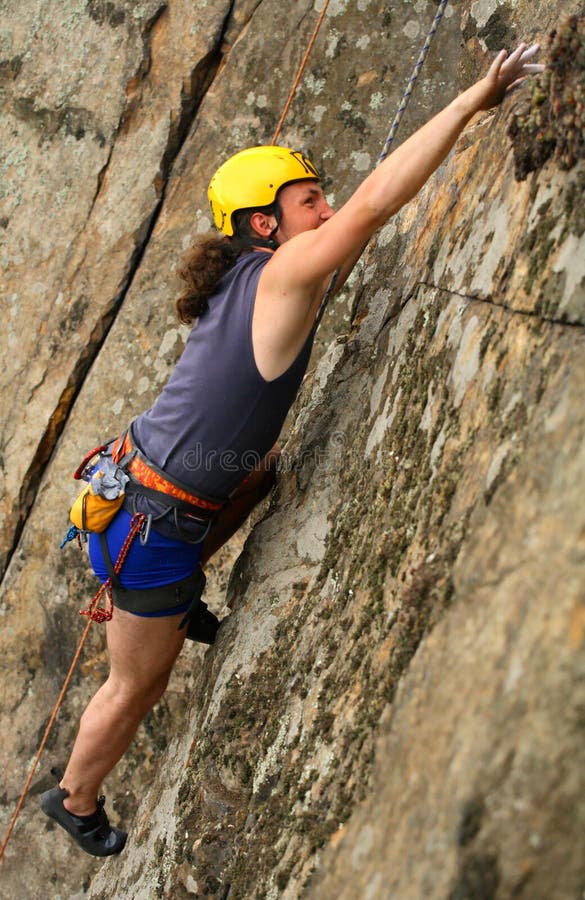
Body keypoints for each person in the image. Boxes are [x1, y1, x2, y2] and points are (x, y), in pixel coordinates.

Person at [39, 43, 543, 856]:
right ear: (265, 223)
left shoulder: (251, 280)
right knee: (138, 683)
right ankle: (74, 797)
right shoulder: (275, 277)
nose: (328, 205)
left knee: (260, 473)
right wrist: (467, 103)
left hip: (143, 490)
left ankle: (179, 606)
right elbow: (374, 207)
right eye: (311, 199)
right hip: (150, 524)